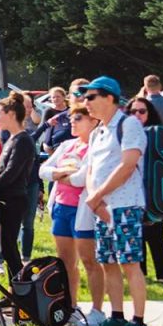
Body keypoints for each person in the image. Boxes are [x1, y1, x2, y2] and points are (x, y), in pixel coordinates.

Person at [79, 76, 151, 326]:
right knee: (108, 262)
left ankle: (139, 323)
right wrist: (96, 201)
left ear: (110, 97)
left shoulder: (128, 124)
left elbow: (128, 165)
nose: (86, 102)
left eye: (91, 96)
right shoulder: (97, 131)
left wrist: (97, 196)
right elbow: (90, 169)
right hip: (102, 208)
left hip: (125, 205)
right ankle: (117, 315)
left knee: (129, 263)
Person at [41, 100, 103, 315]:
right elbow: (43, 170)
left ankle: (97, 311)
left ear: (93, 121)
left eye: (78, 118)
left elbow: (80, 179)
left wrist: (60, 176)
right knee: (66, 262)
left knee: (89, 260)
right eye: (70, 118)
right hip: (61, 207)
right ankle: (71, 306)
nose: (72, 122)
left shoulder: (95, 147)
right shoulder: (67, 145)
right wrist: (59, 174)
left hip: (83, 210)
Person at [129, 95, 163, 283]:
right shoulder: (125, 135)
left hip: (154, 192)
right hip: (131, 192)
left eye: (142, 111)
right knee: (136, 234)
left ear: (150, 113)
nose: (137, 115)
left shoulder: (158, 135)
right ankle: (141, 274)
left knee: (155, 235)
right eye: (133, 111)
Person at [0, 92, 36, 277]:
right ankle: (14, 288)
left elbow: (11, 173)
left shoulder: (23, 140)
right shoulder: (11, 138)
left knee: (9, 249)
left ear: (11, 114)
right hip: (2, 200)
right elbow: (0, 170)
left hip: (13, 200)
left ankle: (20, 288)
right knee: (5, 247)